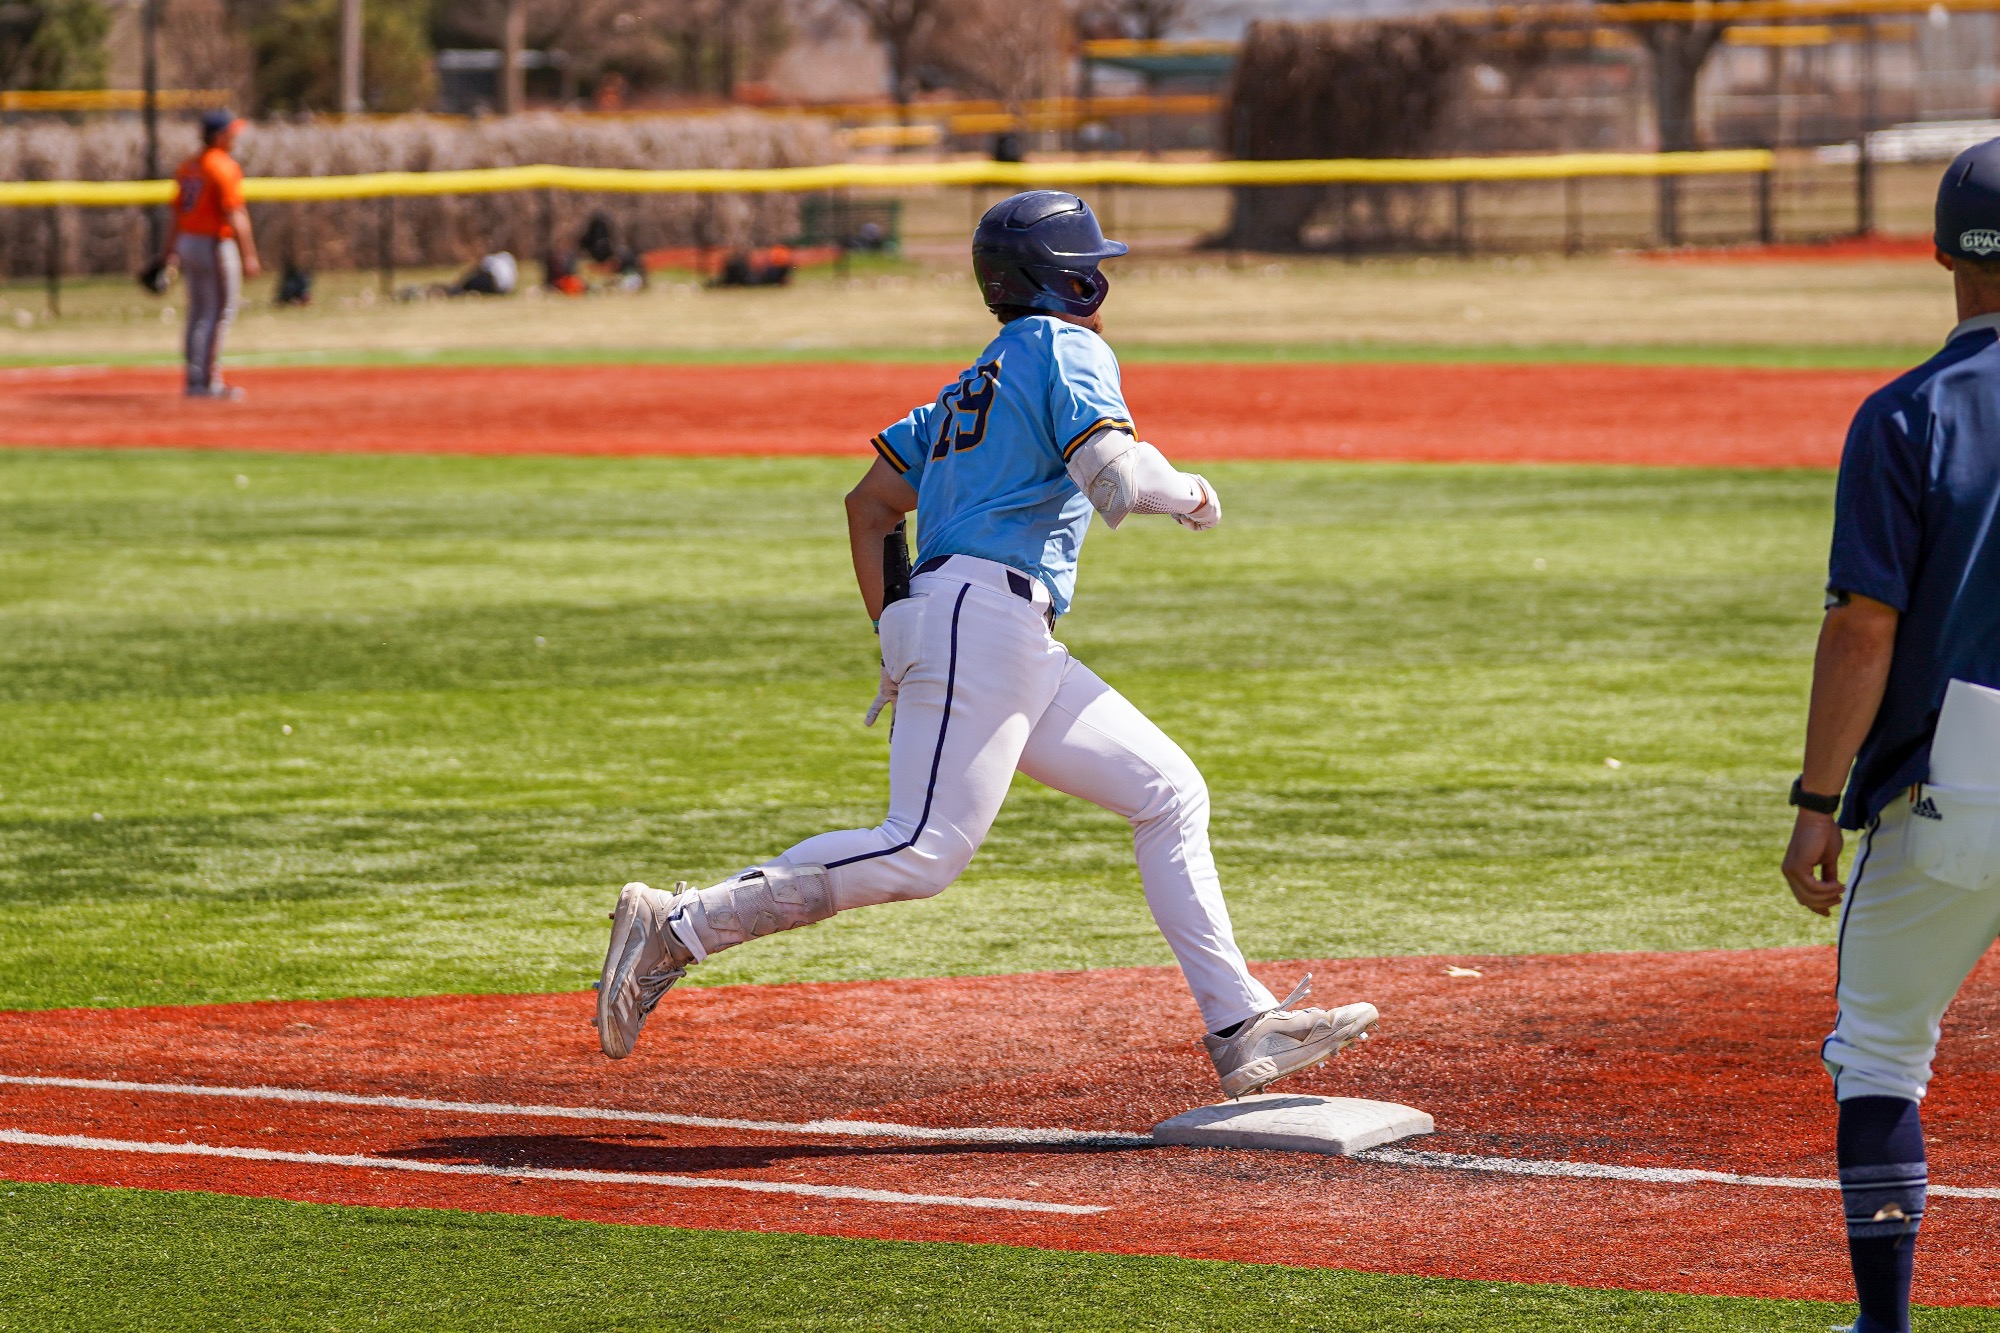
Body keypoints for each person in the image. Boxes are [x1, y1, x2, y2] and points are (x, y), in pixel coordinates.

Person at [594, 190, 1379, 1099]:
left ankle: (1242, 1025)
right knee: (922, 849)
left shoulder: (977, 377)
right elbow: (1117, 479)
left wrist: (896, 622)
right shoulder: (1068, 347)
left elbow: (869, 506)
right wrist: (1194, 494)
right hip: (985, 615)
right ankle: (679, 924)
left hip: (990, 625)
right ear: (1066, 277)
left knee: (1168, 791)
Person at [1780, 139, 2000, 1333]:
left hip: (1957, 783)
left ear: (1937, 253)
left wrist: (1816, 799)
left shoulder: (1906, 412)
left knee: (1878, 1052)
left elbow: (1863, 626)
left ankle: (1884, 1324)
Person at [159, 109, 261, 399]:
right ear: (219, 136)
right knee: (219, 312)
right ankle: (207, 381)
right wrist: (249, 255)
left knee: (198, 312)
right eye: (232, 133)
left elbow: (176, 214)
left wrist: (169, 252)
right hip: (212, 244)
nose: (235, 138)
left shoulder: (189, 167)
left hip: (188, 241)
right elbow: (234, 213)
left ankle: (194, 379)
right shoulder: (222, 166)